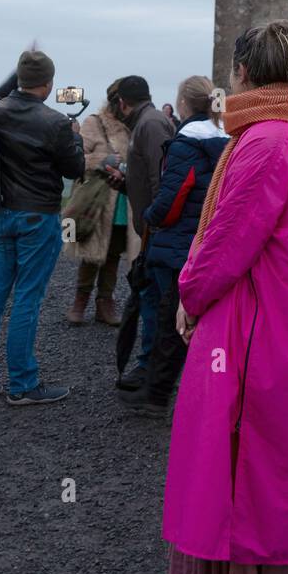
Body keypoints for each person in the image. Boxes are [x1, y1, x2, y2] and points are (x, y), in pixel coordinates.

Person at [146, 21, 288, 574]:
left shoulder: (263, 141)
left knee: (239, 467)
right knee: (276, 468)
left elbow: (228, 239)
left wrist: (189, 293)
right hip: (285, 322)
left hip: (256, 326)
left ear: (245, 74)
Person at [0, 49, 84, 407]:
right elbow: (73, 168)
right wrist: (75, 136)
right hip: (39, 216)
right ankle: (22, 384)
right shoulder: (55, 122)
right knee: (27, 300)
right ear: (47, 84)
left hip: (1, 214)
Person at [120, 76, 227, 419]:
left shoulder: (187, 142)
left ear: (183, 103)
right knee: (195, 320)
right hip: (208, 241)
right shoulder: (227, 140)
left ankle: (168, 395)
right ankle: (171, 392)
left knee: (173, 321)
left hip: (178, 241)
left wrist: (151, 215)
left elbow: (174, 195)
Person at [113, 76, 177, 390]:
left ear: (123, 103)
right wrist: (124, 184)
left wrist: (153, 224)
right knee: (150, 298)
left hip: (158, 232)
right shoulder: (149, 122)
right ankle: (149, 365)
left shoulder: (149, 125)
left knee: (156, 301)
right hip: (154, 230)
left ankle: (153, 371)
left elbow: (161, 180)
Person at [65, 80, 141, 326]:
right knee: (91, 253)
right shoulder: (93, 122)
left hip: (122, 201)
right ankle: (80, 301)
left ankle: (104, 303)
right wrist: (102, 159)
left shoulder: (136, 126)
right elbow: (77, 158)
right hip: (97, 202)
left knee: (113, 255)